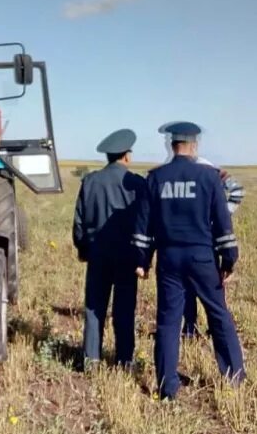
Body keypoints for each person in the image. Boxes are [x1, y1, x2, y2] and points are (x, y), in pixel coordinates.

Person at [132, 121, 245, 400]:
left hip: (169, 258)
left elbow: (143, 225)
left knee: (169, 321)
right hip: (202, 257)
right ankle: (234, 377)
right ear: (194, 145)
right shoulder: (208, 177)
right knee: (218, 314)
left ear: (171, 145)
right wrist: (228, 260)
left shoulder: (155, 178)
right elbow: (222, 223)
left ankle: (167, 386)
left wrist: (142, 260)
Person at [158, 123, 246, 339]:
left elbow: (236, 191)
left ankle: (206, 329)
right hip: (194, 241)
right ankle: (190, 328)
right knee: (190, 288)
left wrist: (218, 217)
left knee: (208, 289)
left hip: (202, 239)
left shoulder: (207, 168)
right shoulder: (172, 167)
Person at [73, 129, 146, 371]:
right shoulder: (136, 183)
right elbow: (145, 221)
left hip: (97, 254)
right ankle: (125, 360)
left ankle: (91, 360)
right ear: (126, 156)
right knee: (124, 309)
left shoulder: (90, 181)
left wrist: (83, 248)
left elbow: (79, 222)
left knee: (94, 308)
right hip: (127, 254)